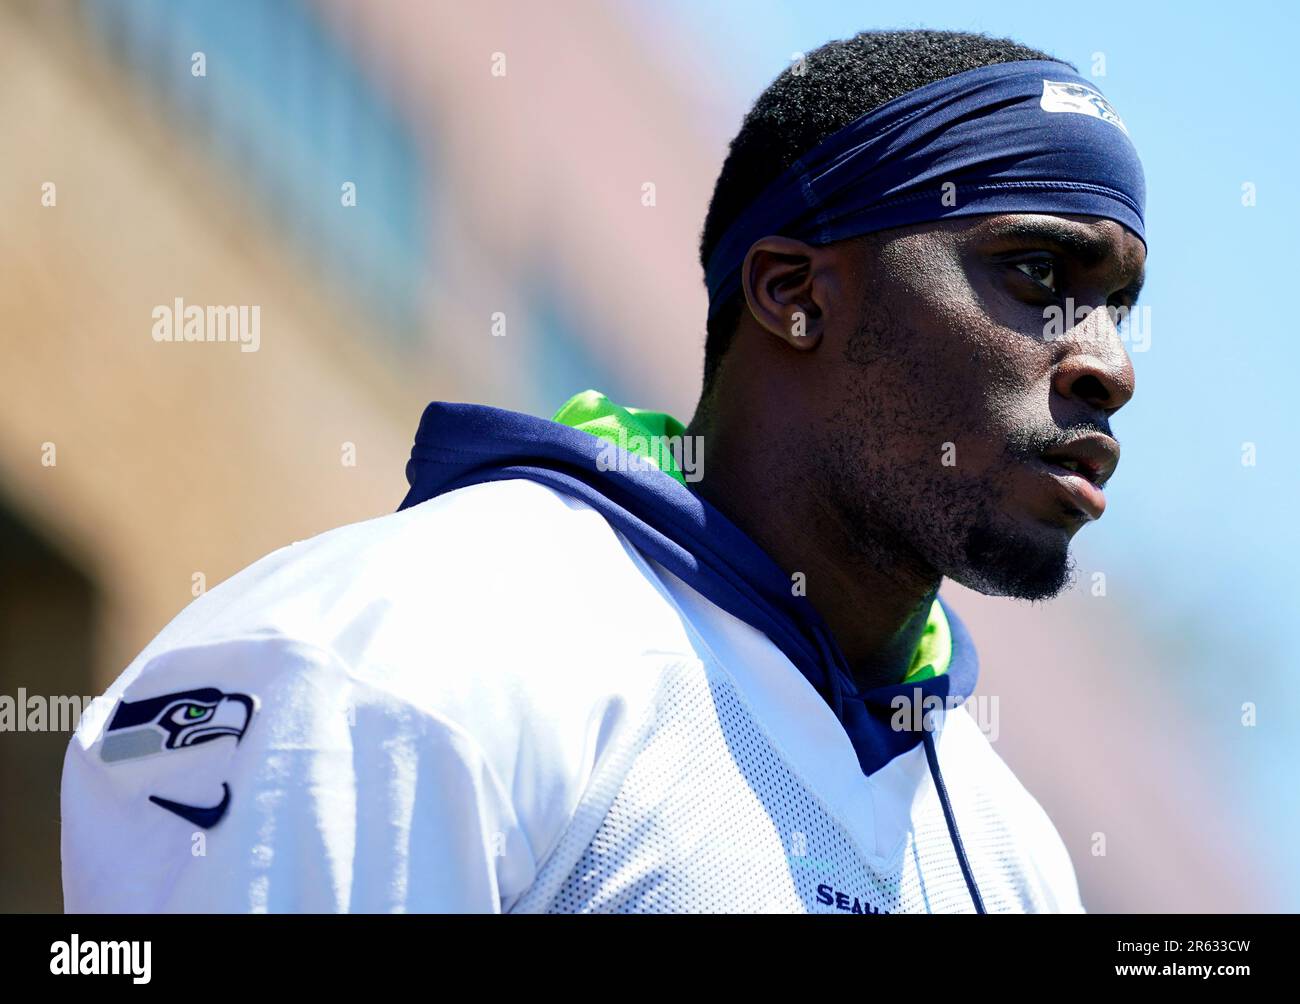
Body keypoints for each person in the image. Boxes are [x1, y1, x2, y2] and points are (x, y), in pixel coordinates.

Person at [62, 28, 1146, 913]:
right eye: (1039, 269)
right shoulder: (416, 648)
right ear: (792, 291)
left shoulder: (1015, 859)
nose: (1107, 362)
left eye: (1119, 307)